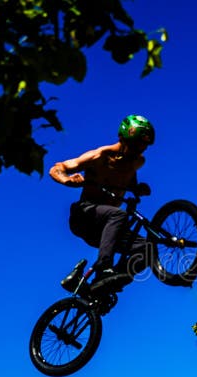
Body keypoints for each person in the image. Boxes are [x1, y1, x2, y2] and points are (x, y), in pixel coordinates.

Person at [49, 114, 155, 292]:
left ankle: (102, 287)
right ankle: (104, 268)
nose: (140, 150)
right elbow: (58, 168)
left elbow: (126, 177)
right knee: (118, 214)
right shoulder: (99, 156)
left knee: (148, 249)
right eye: (137, 145)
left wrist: (137, 188)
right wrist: (67, 180)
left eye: (144, 146)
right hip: (84, 216)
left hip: (107, 228)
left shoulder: (137, 162)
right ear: (123, 138)